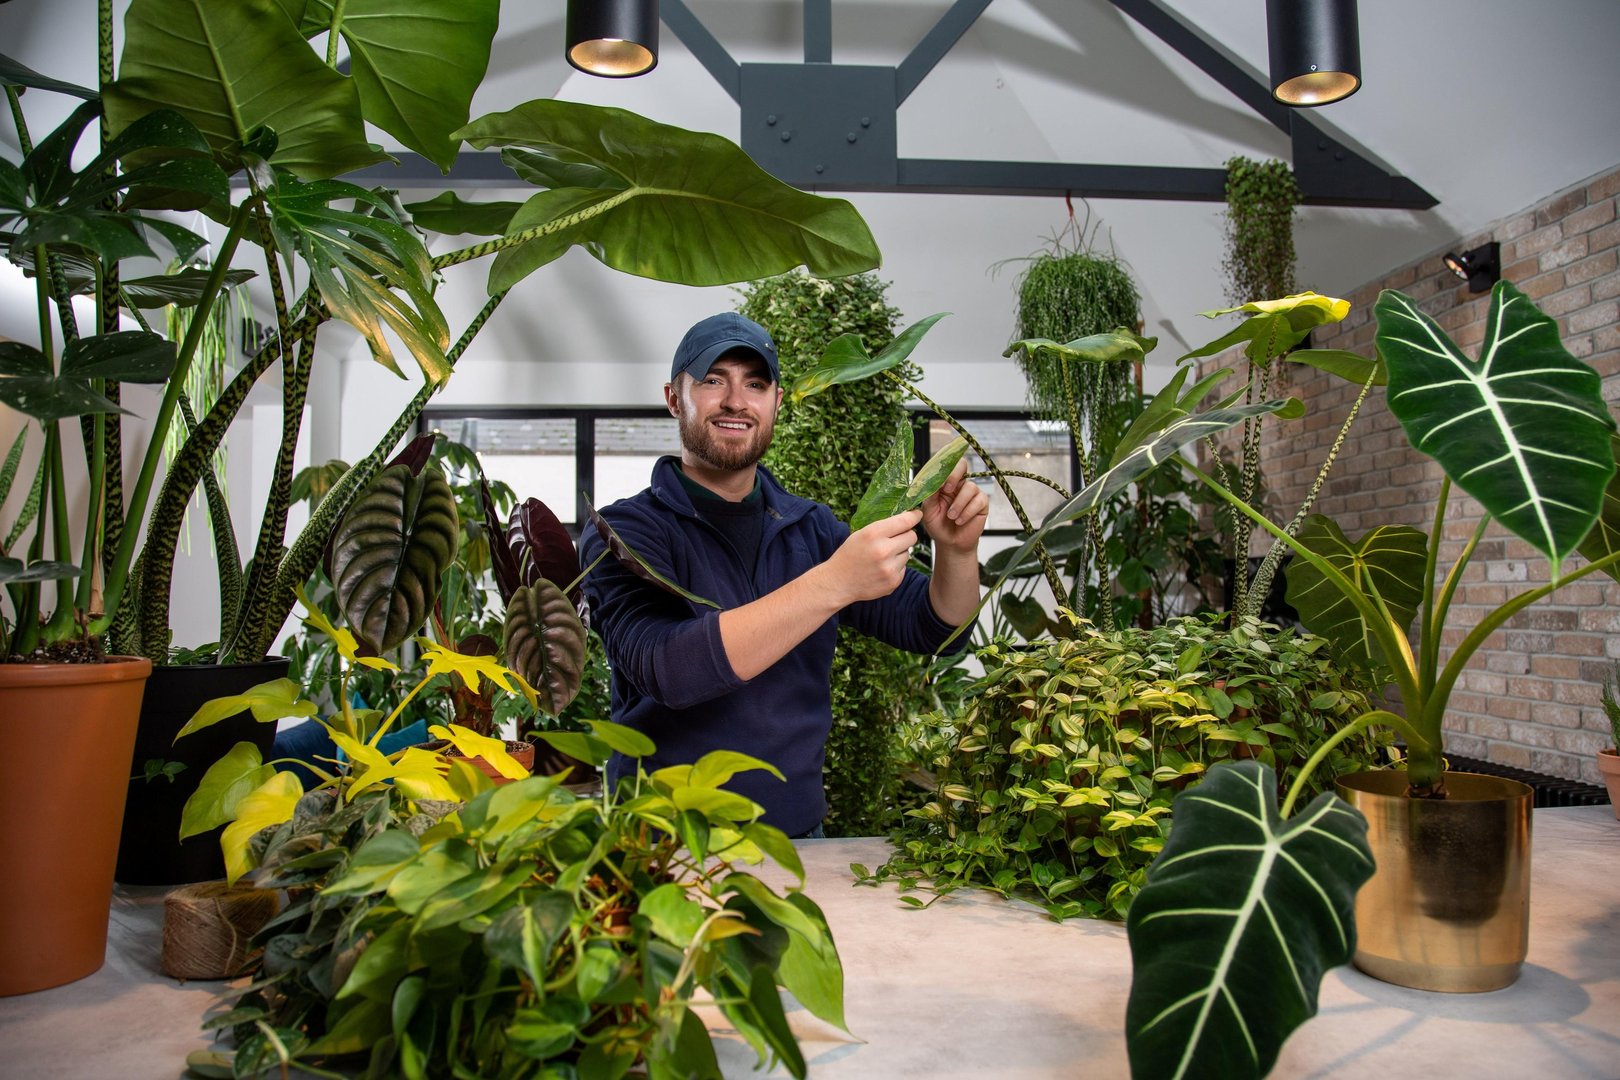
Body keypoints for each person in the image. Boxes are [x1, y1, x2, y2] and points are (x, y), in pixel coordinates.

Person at [579, 312, 988, 838]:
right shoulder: (624, 529)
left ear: (774, 403)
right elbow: (668, 668)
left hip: (796, 841)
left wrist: (957, 552)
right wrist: (834, 583)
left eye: (755, 383)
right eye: (712, 380)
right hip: (659, 841)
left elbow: (936, 629)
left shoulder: (811, 529)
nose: (734, 400)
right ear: (674, 397)